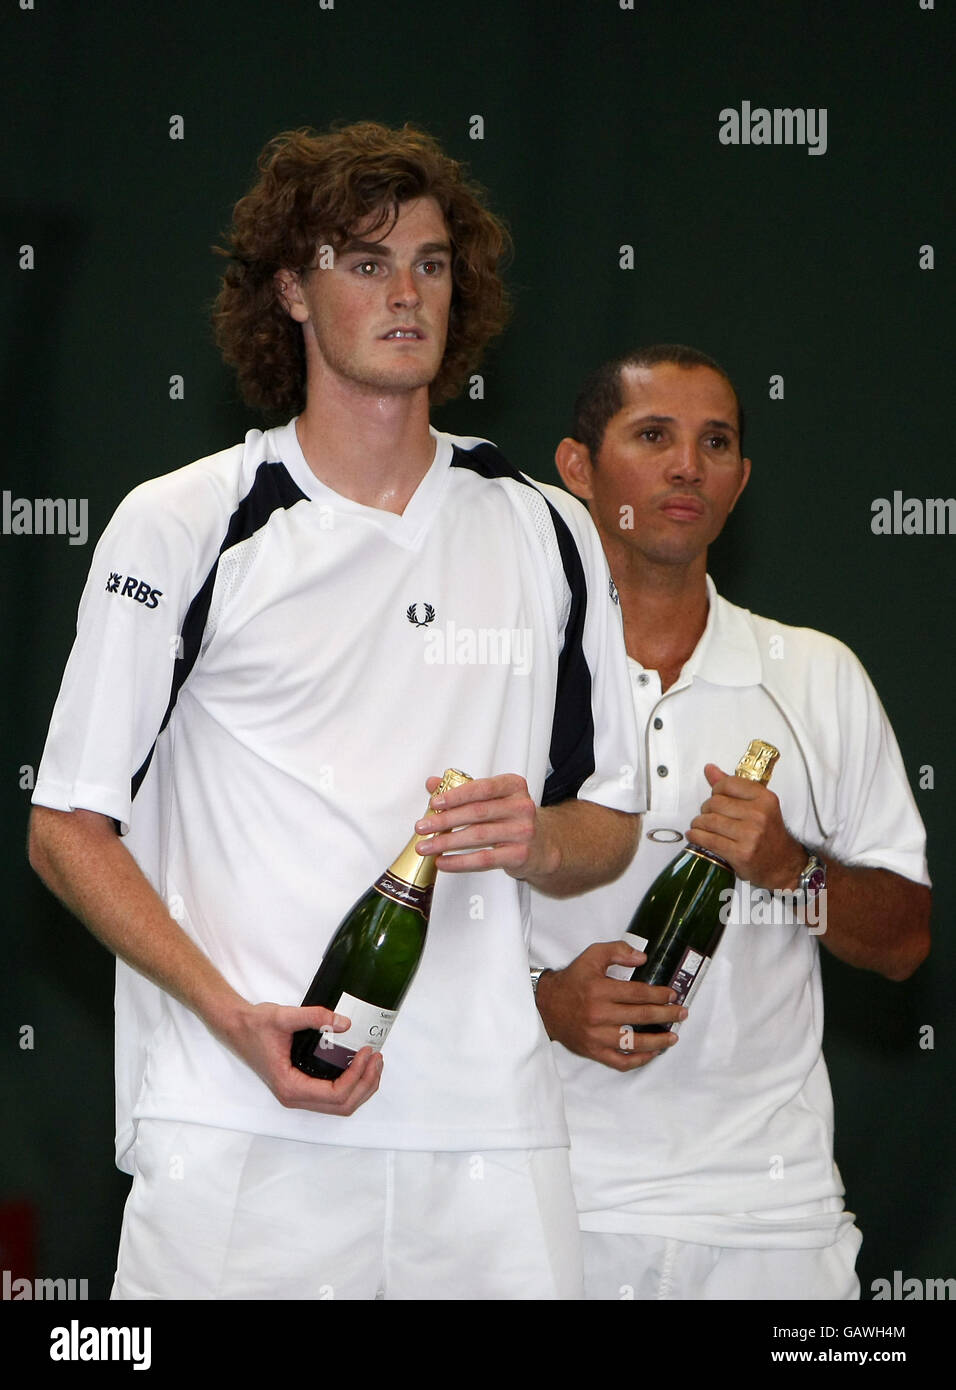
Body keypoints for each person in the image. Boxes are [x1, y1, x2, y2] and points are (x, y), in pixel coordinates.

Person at [27, 123, 643, 1301]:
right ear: (291, 293)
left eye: (430, 262)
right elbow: (65, 825)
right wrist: (230, 1018)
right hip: (239, 1124)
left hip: (488, 1143)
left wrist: (541, 837)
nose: (405, 292)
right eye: (362, 262)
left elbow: (605, 819)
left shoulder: (548, 526)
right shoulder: (184, 523)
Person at [530, 344, 931, 1301]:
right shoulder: (511, 676)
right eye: (654, 435)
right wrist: (540, 999)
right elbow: (425, 922)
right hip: (547, 1204)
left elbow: (907, 942)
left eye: (717, 444)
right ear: (578, 467)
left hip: (772, 1225)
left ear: (741, 481)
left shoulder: (816, 674)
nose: (686, 467)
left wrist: (794, 866)